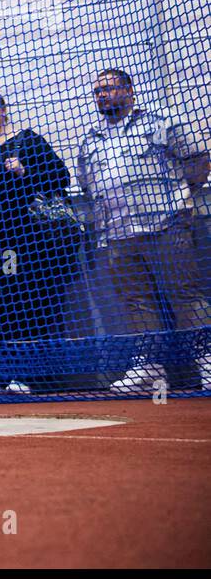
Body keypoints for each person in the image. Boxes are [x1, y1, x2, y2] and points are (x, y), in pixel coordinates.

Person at [76, 69, 210, 392]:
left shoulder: (161, 123)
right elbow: (86, 183)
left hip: (165, 226)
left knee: (185, 295)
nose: (101, 96)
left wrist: (179, 197)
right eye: (97, 92)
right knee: (136, 301)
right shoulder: (90, 139)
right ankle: (149, 367)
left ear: (129, 91)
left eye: (108, 89)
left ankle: (207, 361)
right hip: (118, 234)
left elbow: (200, 159)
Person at [0, 90, 75, 394]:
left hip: (25, 237)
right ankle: (6, 375)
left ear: (3, 110)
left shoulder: (27, 140)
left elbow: (61, 176)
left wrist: (25, 171)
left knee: (26, 301)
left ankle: (35, 377)